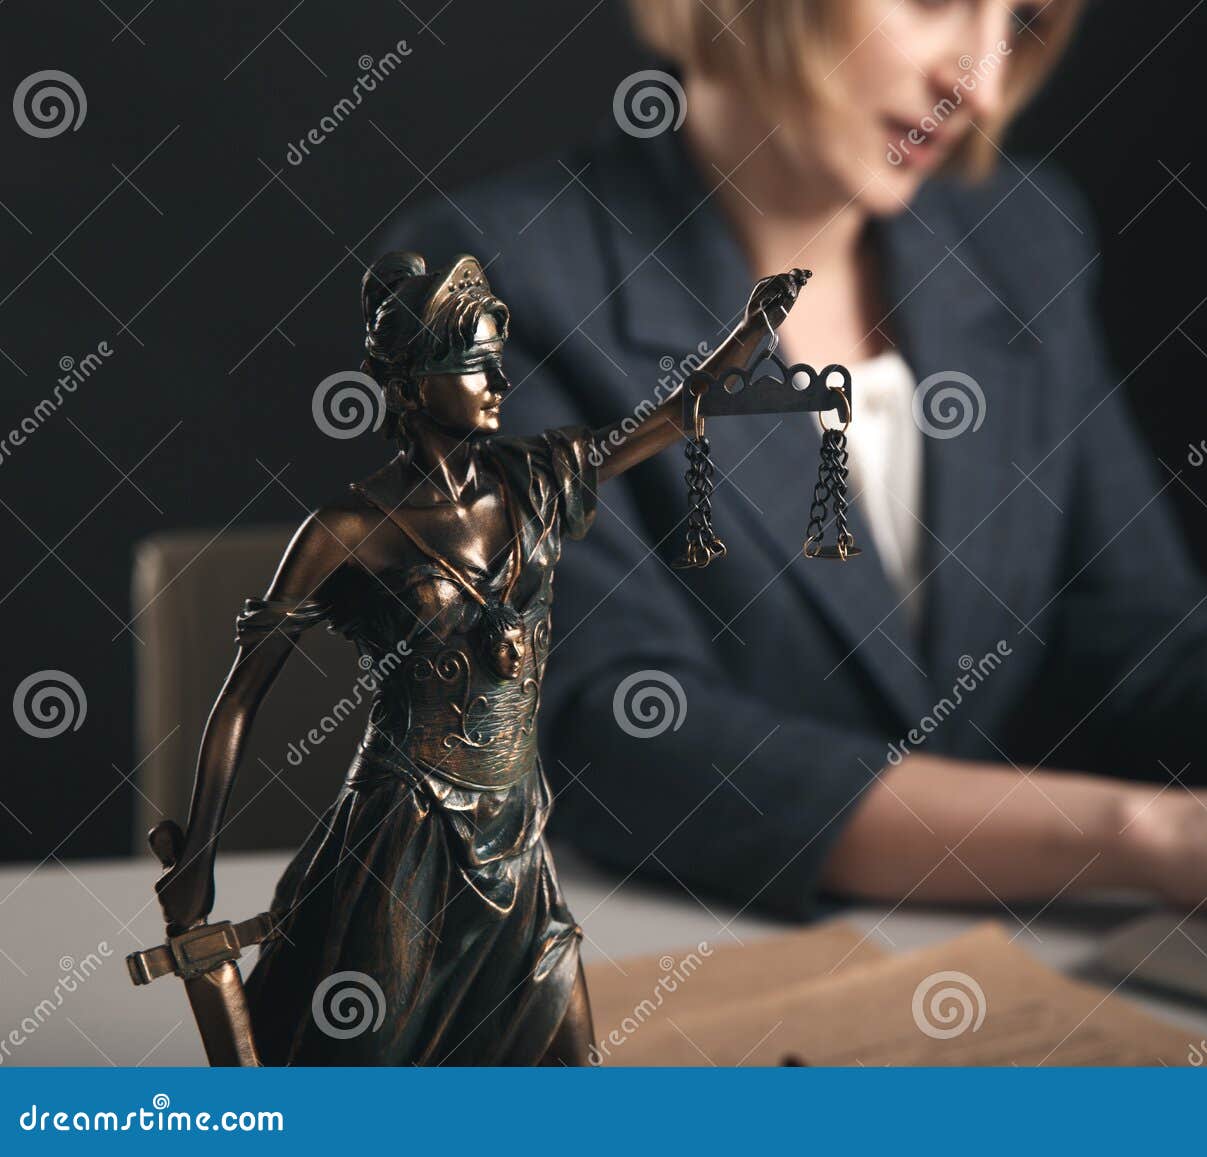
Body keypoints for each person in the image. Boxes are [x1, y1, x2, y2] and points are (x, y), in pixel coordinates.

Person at [379, 0, 1207, 949]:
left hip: (993, 968)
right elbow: (616, 737)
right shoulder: (488, 273)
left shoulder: (1022, 234)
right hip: (662, 973)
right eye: (928, 4)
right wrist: (1163, 833)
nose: (976, 79)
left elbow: (1146, 647)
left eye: (1017, 21)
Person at [153, 251, 809, 1063]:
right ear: (412, 379)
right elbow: (240, 696)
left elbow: (672, 416)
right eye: (476, 368)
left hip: (516, 822)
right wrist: (199, 858)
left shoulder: (532, 479)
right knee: (367, 1049)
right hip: (408, 824)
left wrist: (747, 338)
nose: (500, 384)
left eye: (499, 365)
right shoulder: (347, 531)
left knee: (563, 1053)